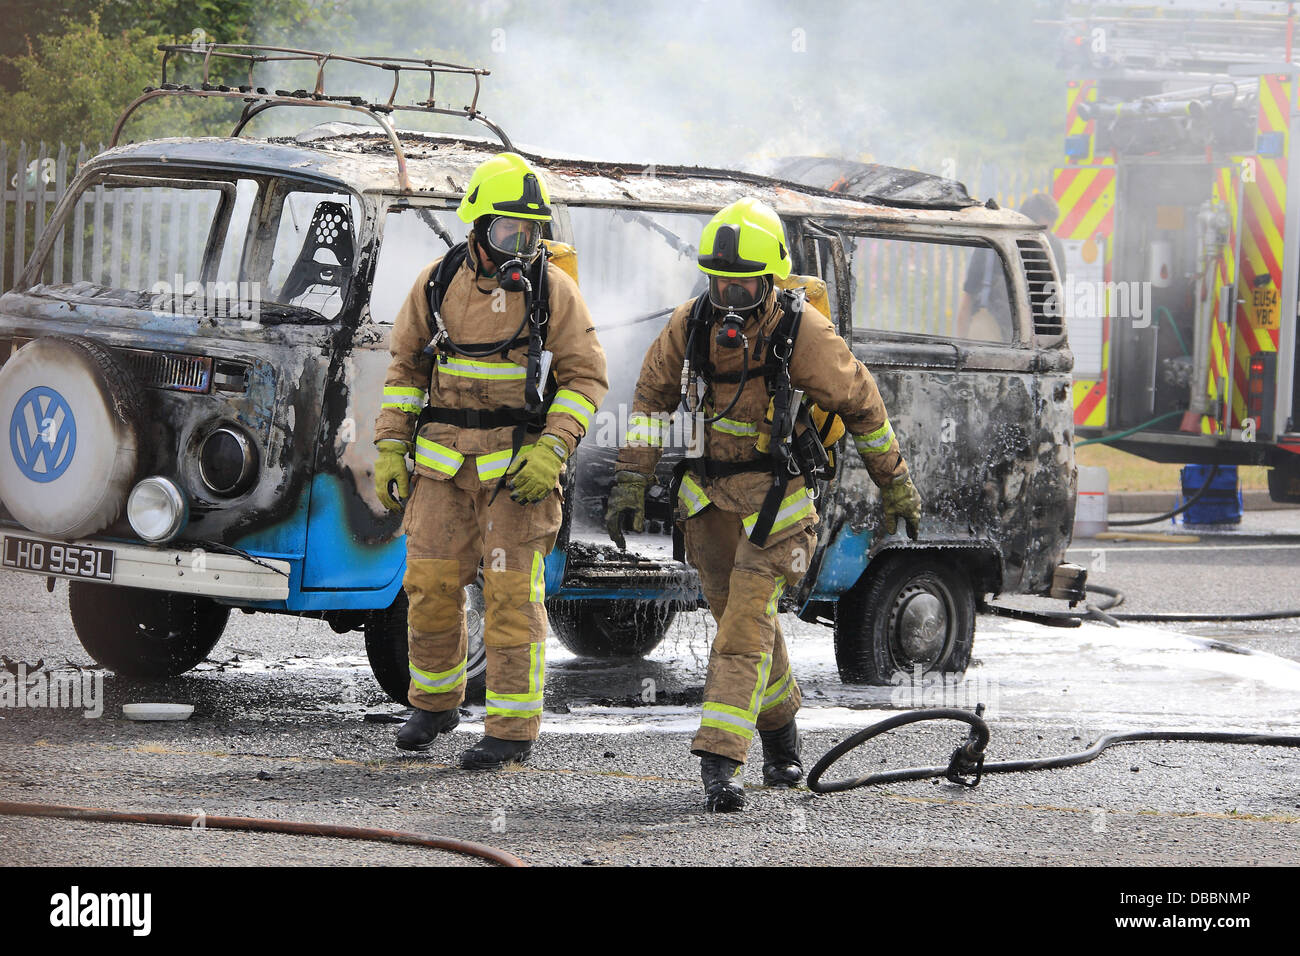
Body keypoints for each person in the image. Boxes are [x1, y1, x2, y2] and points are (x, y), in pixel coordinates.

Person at [604, 197, 922, 811]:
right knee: (743, 628)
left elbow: (861, 402)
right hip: (708, 504)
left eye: (742, 282)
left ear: (771, 277)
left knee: (744, 626)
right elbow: (649, 399)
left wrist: (895, 481)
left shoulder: (798, 331)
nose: (728, 295)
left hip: (777, 505)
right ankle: (782, 739)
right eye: (718, 280)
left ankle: (722, 758)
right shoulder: (689, 324)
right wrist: (629, 481)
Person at [373, 152, 608, 769]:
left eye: (531, 233)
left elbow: (585, 378)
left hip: (516, 475)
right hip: (443, 469)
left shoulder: (552, 292)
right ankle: (433, 704)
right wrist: (391, 447)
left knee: (509, 597)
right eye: (508, 231)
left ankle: (510, 730)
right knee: (428, 585)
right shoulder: (435, 283)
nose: (520, 245)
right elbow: (405, 372)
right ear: (477, 227)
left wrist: (552, 448)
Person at [956, 192, 1065, 341]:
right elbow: (967, 299)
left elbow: (1055, 302)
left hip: (1032, 341)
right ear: (1025, 223)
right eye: (1041, 230)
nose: (1044, 237)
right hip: (989, 338)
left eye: (1048, 231)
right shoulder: (991, 246)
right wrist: (961, 342)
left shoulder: (1054, 248)